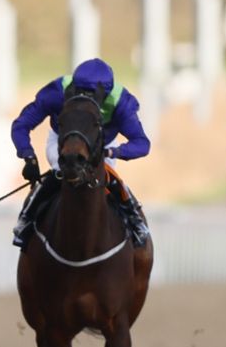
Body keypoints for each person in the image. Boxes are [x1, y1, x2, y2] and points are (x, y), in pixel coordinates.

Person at [10, 57, 151, 249]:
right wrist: (28, 157)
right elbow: (22, 124)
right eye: (80, 92)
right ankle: (26, 219)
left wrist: (112, 151)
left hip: (103, 142)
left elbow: (142, 144)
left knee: (106, 174)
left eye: (91, 94)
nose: (85, 98)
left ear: (105, 92)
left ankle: (135, 219)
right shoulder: (58, 91)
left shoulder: (121, 102)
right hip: (63, 139)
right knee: (60, 170)